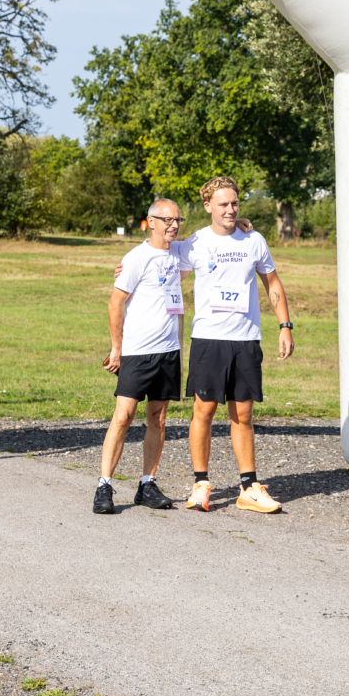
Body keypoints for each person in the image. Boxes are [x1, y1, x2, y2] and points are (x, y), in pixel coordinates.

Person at [178, 176, 294, 514]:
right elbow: (165, 265)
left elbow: (271, 280)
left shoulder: (253, 239)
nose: (230, 210)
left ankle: (248, 487)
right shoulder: (195, 243)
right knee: (204, 410)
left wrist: (284, 325)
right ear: (207, 206)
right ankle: (200, 484)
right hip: (209, 339)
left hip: (245, 339)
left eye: (234, 204)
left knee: (243, 413)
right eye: (223, 204)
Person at [95, 199, 189, 514]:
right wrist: (116, 347)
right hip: (137, 350)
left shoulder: (179, 253)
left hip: (168, 351)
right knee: (124, 415)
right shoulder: (136, 257)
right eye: (167, 220)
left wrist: (241, 222)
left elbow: (215, 235)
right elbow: (114, 303)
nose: (174, 225)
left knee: (158, 417)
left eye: (178, 220)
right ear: (150, 221)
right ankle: (104, 486)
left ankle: (147, 483)